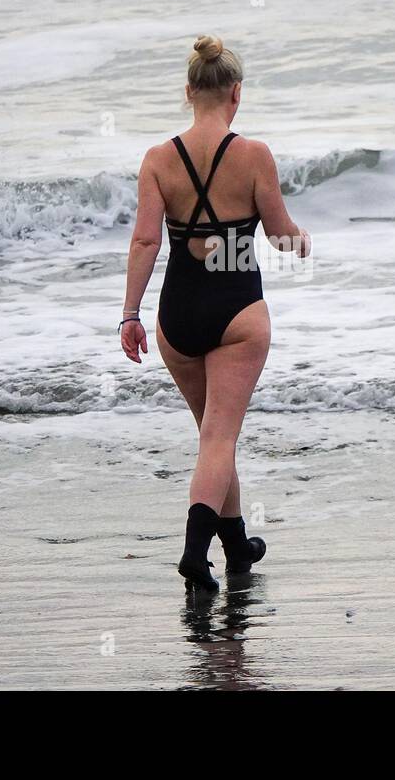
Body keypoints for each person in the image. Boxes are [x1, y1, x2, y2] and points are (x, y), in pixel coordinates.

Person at [120, 35, 311, 591]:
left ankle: (236, 546)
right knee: (219, 440)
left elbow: (143, 243)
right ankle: (193, 554)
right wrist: (302, 241)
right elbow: (280, 238)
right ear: (236, 94)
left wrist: (129, 315)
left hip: (176, 315)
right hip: (237, 313)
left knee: (212, 435)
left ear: (188, 91)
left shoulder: (158, 160)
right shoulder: (253, 155)